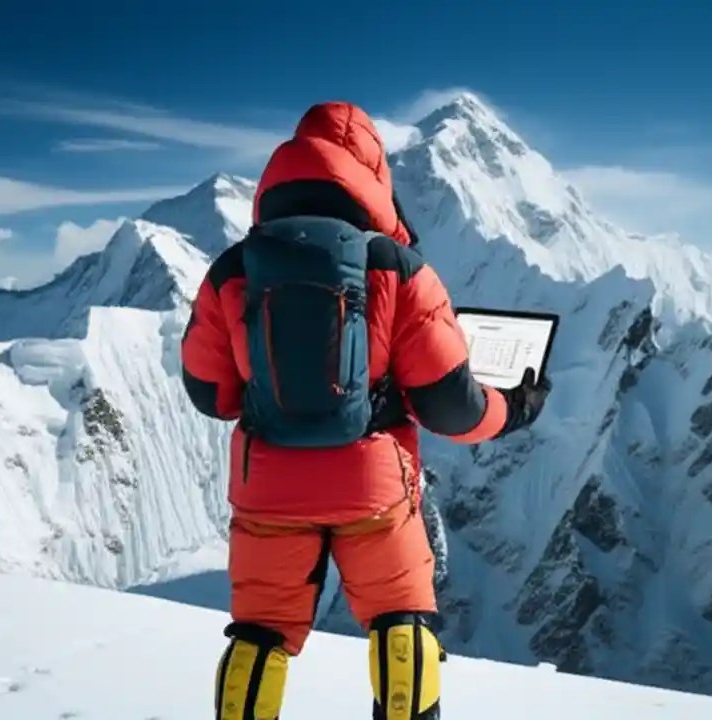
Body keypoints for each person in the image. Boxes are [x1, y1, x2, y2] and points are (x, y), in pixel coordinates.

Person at [180, 100, 552, 720]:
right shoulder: (400, 270)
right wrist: (512, 408)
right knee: (399, 622)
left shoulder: (232, 271)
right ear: (373, 175)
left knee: (261, 632)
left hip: (267, 493)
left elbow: (207, 395)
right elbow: (450, 408)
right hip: (372, 491)